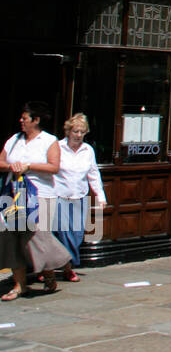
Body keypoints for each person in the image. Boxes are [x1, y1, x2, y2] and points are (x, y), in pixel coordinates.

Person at [2, 101, 73, 298]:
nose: (21, 121)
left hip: (40, 195)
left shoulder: (49, 141)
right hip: (14, 195)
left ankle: (53, 268)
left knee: (35, 237)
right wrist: (11, 167)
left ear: (36, 120)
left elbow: (54, 167)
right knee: (12, 239)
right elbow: (1, 161)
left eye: (25, 118)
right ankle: (19, 285)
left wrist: (28, 166)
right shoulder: (13, 140)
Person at [52, 114, 106, 280]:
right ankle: (67, 269)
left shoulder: (88, 150)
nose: (78, 135)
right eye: (75, 131)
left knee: (76, 234)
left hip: (80, 197)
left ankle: (57, 266)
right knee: (62, 234)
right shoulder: (57, 147)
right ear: (68, 131)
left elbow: (93, 174)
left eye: (82, 131)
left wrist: (100, 195)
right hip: (60, 196)